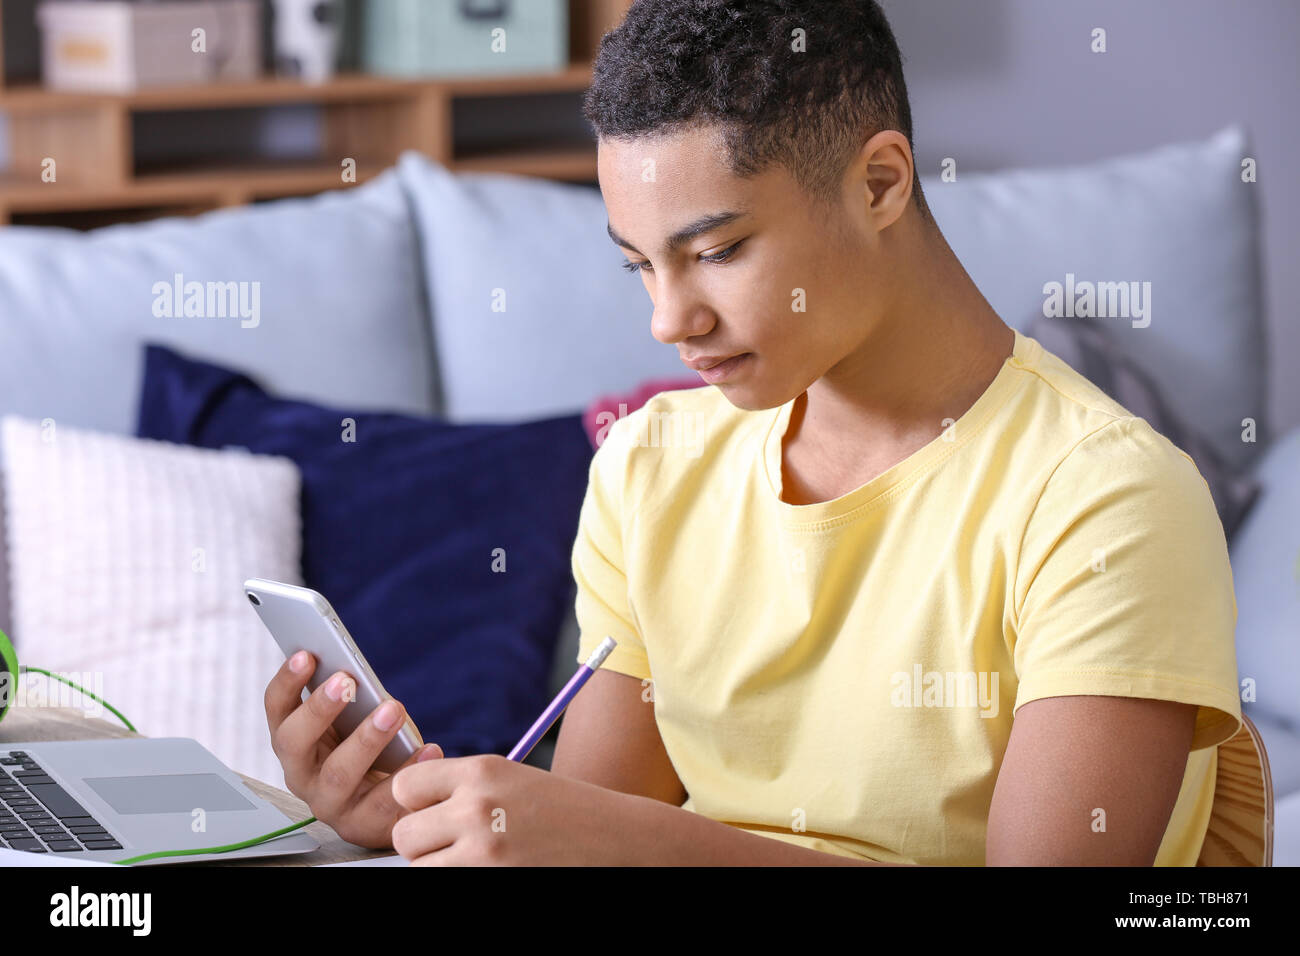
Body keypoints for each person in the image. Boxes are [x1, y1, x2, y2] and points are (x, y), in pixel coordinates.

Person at [263, 0, 1242, 865]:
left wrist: (637, 845)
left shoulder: (1103, 495)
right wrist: (400, 815)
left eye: (718, 250)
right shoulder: (650, 469)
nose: (668, 318)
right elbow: (591, 831)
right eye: (637, 265)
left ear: (880, 183)